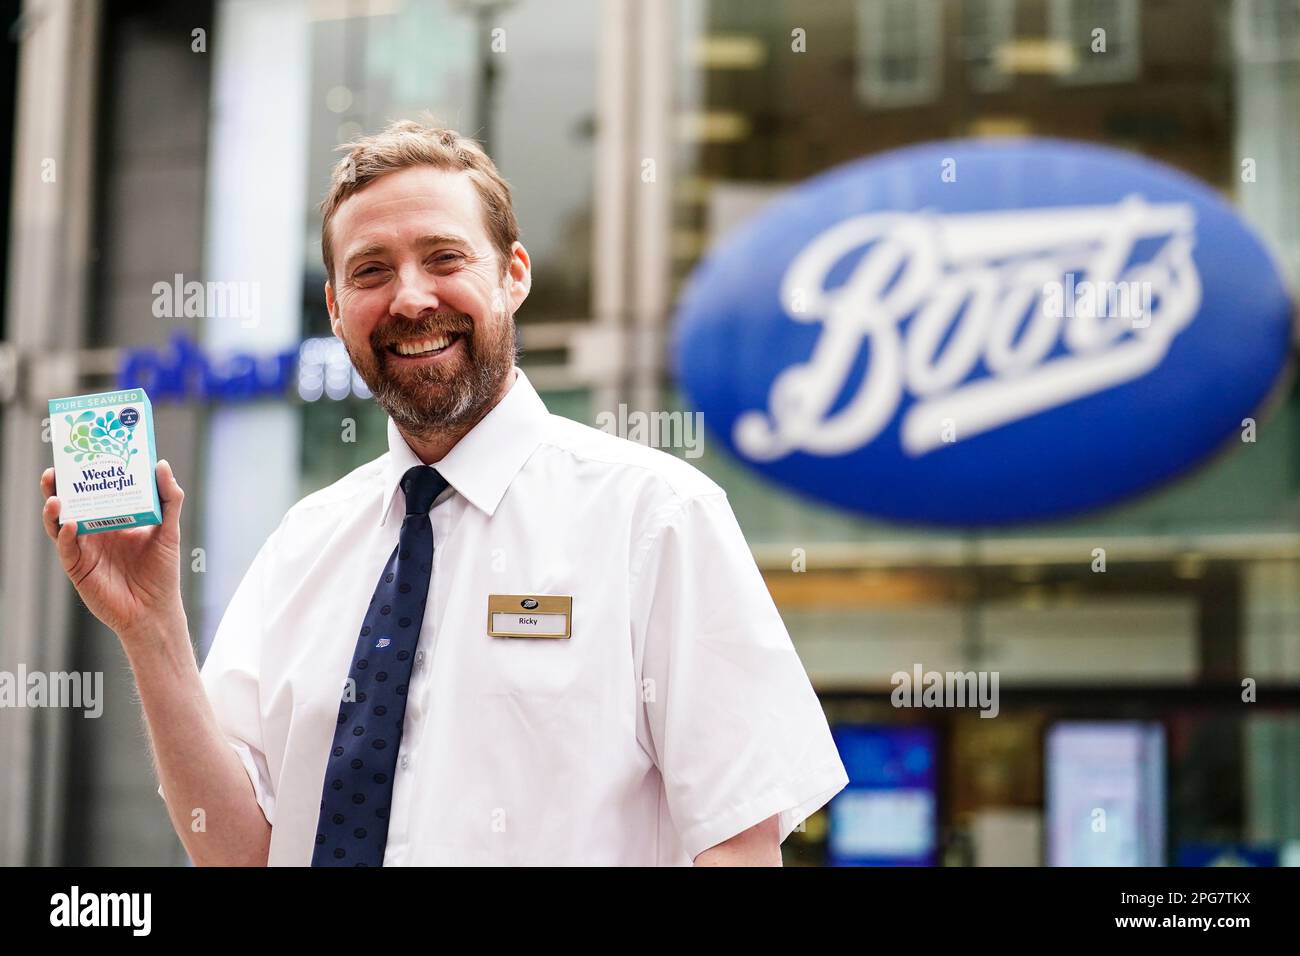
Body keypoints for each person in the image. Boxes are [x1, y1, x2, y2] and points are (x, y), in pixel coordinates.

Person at [39, 119, 847, 866]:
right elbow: (241, 850)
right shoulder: (304, 543)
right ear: (335, 308)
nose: (412, 298)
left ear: (514, 276)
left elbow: (737, 846)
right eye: (371, 271)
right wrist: (150, 628)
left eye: (445, 257)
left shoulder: (658, 518)